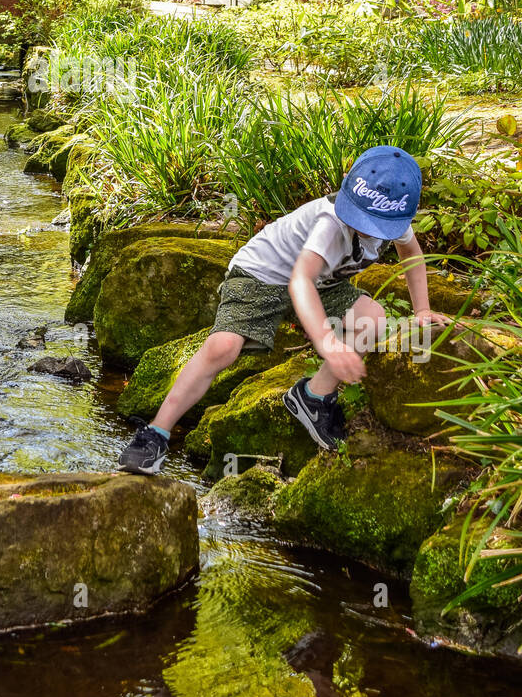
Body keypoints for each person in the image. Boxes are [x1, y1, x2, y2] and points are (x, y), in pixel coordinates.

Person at [118, 145, 447, 475]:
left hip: (322, 284)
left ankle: (313, 398)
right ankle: (156, 433)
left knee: (373, 319)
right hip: (261, 275)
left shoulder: (395, 220)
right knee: (223, 347)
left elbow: (412, 257)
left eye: (376, 225)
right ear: (347, 184)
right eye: (361, 218)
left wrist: (422, 310)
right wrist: (327, 343)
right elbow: (299, 280)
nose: (365, 228)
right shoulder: (329, 223)